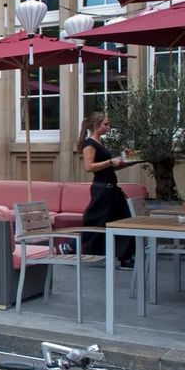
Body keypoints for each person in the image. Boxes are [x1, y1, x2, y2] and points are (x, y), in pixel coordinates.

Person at [77, 111, 134, 267]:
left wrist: (125, 162)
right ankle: (72, 246)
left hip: (112, 190)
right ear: (97, 125)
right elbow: (89, 167)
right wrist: (110, 161)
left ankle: (126, 258)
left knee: (125, 220)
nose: (108, 127)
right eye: (106, 124)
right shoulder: (90, 144)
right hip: (102, 190)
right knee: (95, 222)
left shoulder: (100, 143)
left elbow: (108, 167)